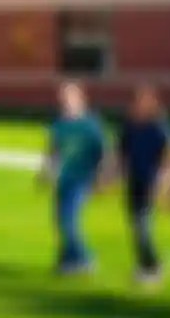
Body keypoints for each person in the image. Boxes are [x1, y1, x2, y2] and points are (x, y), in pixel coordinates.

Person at [38, 81, 108, 275]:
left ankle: (86, 259)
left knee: (69, 221)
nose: (65, 102)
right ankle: (67, 261)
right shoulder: (59, 124)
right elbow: (53, 151)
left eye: (69, 97)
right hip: (65, 179)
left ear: (80, 99)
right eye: (63, 98)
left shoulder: (91, 125)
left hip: (82, 179)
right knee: (60, 221)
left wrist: (102, 178)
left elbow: (102, 152)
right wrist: (45, 172)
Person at [117, 84, 170, 286]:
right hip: (133, 181)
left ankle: (152, 267)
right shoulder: (130, 125)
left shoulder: (159, 127)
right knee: (135, 227)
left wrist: (166, 182)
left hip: (150, 182)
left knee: (142, 227)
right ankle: (144, 266)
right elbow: (122, 151)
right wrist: (111, 175)